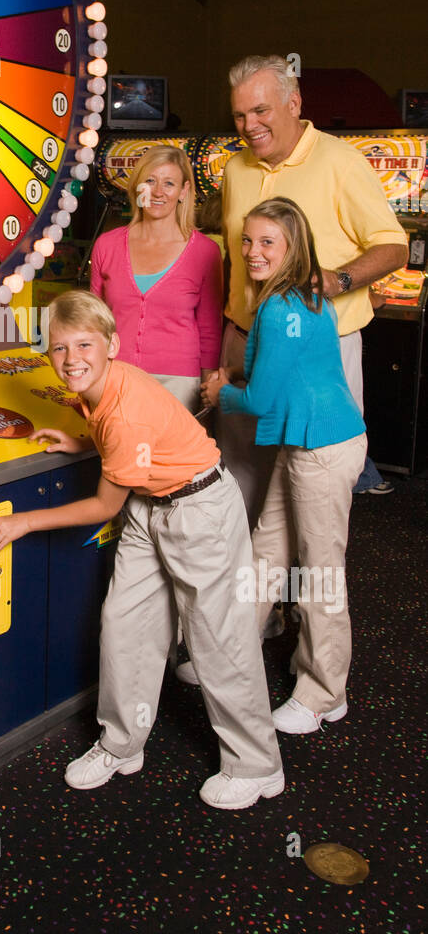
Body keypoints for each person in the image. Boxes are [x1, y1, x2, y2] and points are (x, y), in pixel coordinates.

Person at [0, 291, 284, 811]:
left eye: (84, 345)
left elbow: (101, 505)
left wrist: (23, 521)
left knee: (218, 639)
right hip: (150, 503)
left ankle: (258, 766)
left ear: (112, 345)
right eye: (58, 348)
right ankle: (122, 744)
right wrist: (82, 443)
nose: (71, 359)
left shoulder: (124, 413)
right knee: (125, 623)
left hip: (199, 512)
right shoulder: (95, 387)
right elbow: (122, 440)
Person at [218, 56, 407, 527]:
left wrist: (336, 279)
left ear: (294, 102)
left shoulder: (342, 161)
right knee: (239, 482)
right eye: (240, 115)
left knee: (314, 490)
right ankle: (246, 596)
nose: (249, 126)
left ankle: (307, 597)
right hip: (245, 339)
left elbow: (393, 246)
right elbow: (230, 258)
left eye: (260, 111)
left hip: (320, 351)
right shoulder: (234, 169)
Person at [203, 199, 367, 734]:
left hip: (322, 447)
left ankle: (324, 692)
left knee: (319, 574)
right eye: (247, 241)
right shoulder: (298, 297)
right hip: (305, 442)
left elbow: (262, 401)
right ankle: (232, 653)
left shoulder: (282, 308)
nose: (252, 251)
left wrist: (223, 391)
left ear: (293, 247)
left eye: (268, 242)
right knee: (268, 550)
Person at [90, 145, 222, 413]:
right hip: (117, 374)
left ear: (184, 191)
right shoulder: (107, 245)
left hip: (179, 383)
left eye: (169, 183)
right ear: (137, 187)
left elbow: (209, 329)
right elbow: (93, 320)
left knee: (170, 456)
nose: (158, 191)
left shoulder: (205, 251)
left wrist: (208, 392)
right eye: (150, 180)